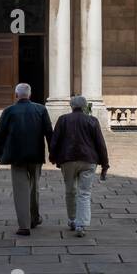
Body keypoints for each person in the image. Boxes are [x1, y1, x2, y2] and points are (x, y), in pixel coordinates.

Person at [0, 82, 53, 236]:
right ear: (30, 95)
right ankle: (34, 217)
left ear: (16, 95)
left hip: (16, 156)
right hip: (36, 155)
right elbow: (49, 133)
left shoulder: (9, 111)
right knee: (34, 188)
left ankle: (24, 225)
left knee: (20, 190)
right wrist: (53, 153)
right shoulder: (41, 109)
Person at [49, 94, 109, 238]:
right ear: (84, 107)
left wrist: (53, 157)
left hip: (68, 160)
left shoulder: (63, 120)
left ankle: (72, 219)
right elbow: (100, 144)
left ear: (71, 106)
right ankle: (81, 224)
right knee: (85, 193)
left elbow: (55, 141)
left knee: (70, 191)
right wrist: (105, 164)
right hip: (88, 161)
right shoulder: (92, 120)